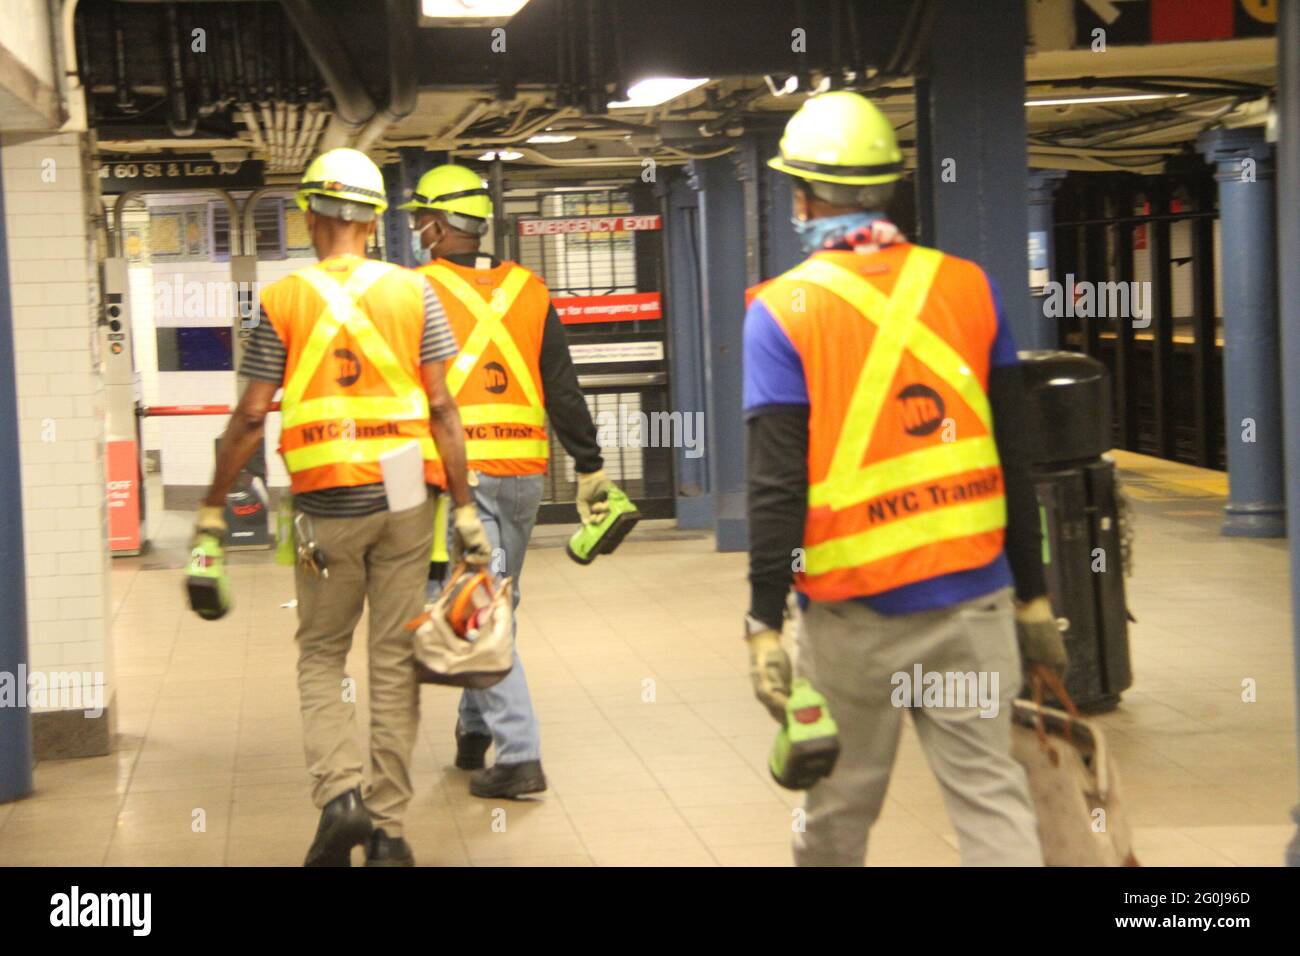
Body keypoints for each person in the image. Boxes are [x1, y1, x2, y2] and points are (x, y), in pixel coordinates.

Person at [742, 91, 1067, 866]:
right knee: (991, 799)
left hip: (855, 620)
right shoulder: (970, 287)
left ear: (801, 195)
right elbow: (1014, 459)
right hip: (974, 606)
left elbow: (778, 485)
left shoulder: (782, 311)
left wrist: (761, 619)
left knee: (838, 814)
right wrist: (1034, 595)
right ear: (889, 188)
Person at [190, 148, 491, 867]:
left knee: (322, 653)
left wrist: (209, 512)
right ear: (375, 217)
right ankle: (389, 833)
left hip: (326, 498)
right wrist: (467, 508)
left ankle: (341, 797)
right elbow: (443, 405)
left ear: (312, 213)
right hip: (406, 493)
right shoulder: (416, 294)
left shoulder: (286, 299)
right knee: (393, 659)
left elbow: (250, 416)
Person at [401, 163, 615, 799]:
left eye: (419, 217)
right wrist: (591, 464)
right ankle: (474, 735)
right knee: (492, 606)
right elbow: (563, 386)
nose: (415, 227)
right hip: (525, 475)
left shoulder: (415, 291)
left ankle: (520, 754)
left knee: (480, 614)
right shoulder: (529, 288)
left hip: (461, 478)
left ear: (439, 226)